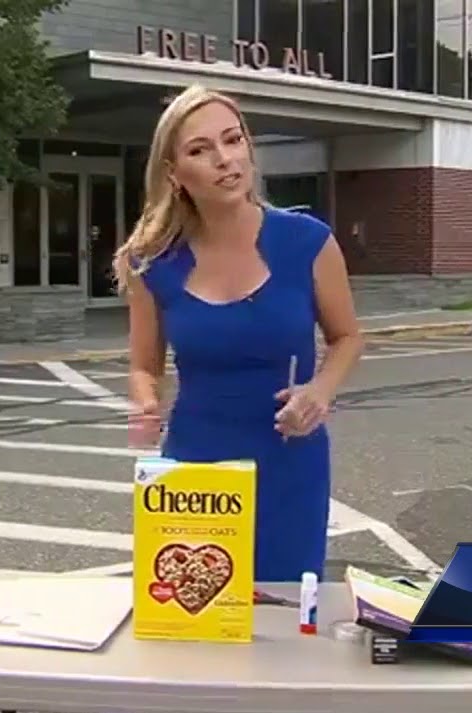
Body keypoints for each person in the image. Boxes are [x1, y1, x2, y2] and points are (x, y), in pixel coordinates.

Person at [116, 84, 365, 586]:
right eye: (199, 150)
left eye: (233, 141)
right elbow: (145, 365)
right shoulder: (152, 264)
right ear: (174, 174)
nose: (224, 159)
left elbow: (348, 337)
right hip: (195, 465)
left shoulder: (307, 241)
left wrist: (317, 393)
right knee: (195, 614)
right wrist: (145, 402)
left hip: (288, 457)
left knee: (284, 616)